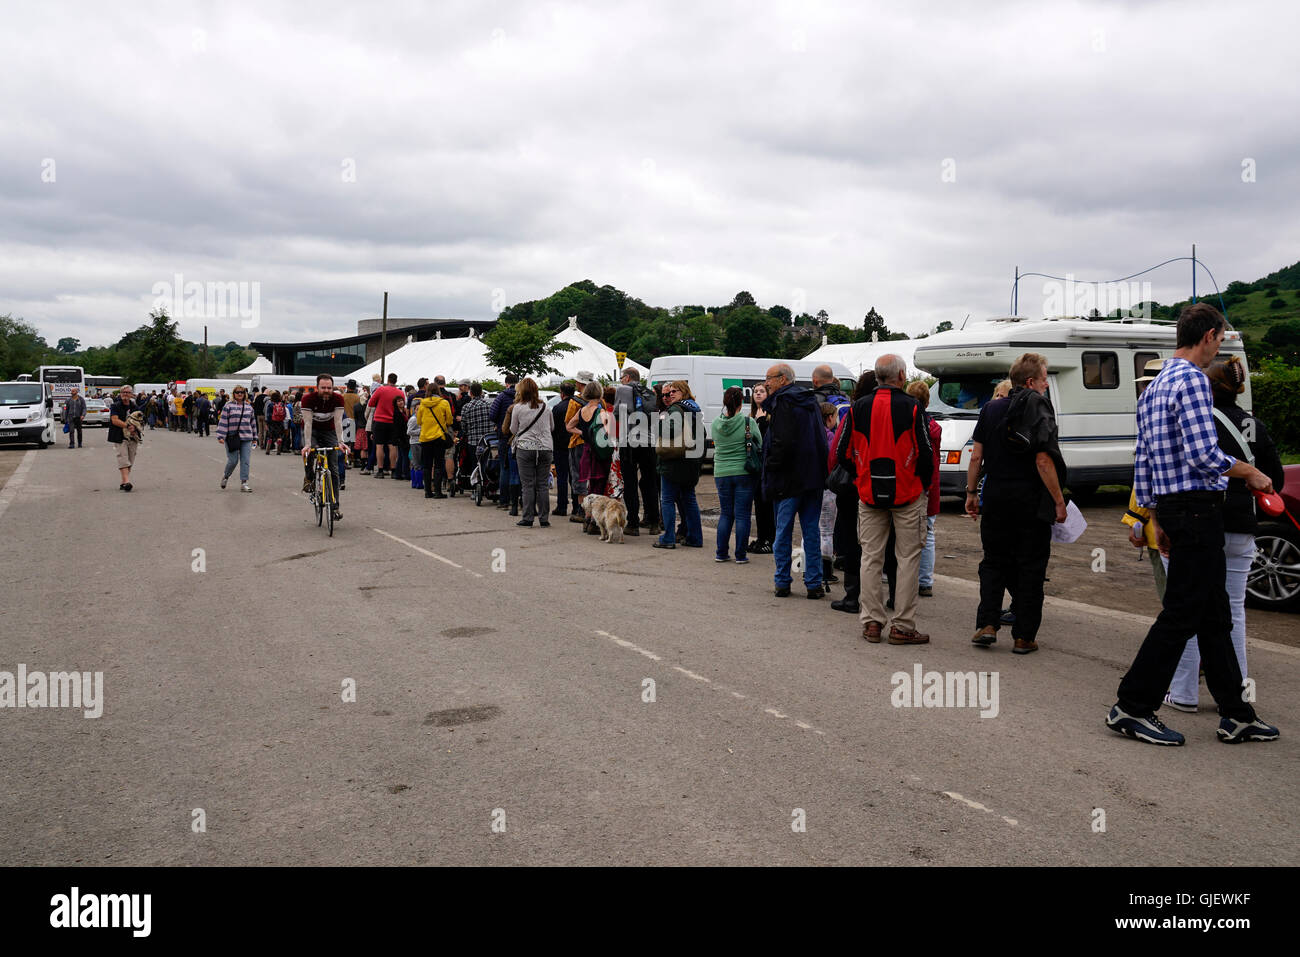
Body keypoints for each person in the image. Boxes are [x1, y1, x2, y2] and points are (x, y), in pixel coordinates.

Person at [1108, 303, 1279, 746]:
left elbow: (1144, 460)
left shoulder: (1156, 384)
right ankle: (1132, 706)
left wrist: (1154, 516)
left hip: (1176, 509)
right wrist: (1251, 473)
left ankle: (1236, 713)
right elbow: (1204, 455)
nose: (1218, 348)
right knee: (1183, 613)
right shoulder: (1193, 382)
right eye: (1219, 340)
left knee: (1213, 614)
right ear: (1207, 336)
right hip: (1199, 510)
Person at [1163, 353, 1285, 713]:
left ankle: (1183, 692)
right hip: (1242, 526)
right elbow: (1274, 481)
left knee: (1187, 607)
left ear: (1208, 387)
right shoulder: (1253, 425)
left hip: (1202, 521)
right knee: (1233, 611)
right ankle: (1236, 690)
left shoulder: (1199, 421)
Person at [965, 353, 1065, 654]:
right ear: (1031, 381)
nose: (1047, 385)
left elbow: (975, 456)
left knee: (994, 561)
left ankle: (987, 623)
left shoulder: (991, 409)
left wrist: (971, 492)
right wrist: (1059, 501)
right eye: (1045, 379)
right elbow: (1044, 460)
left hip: (996, 495)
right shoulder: (1039, 407)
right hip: (1030, 499)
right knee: (1031, 565)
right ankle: (1023, 635)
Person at [839, 355, 933, 640]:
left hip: (868, 494)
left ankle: (872, 622)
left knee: (870, 558)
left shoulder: (858, 408)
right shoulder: (913, 407)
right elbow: (926, 454)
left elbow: (843, 452)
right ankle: (902, 626)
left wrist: (861, 475)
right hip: (907, 493)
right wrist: (921, 484)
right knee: (907, 559)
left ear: (878, 376)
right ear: (901, 376)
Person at [761, 364, 828, 597]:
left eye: (768, 379)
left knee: (783, 531)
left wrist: (770, 466)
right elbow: (821, 440)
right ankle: (813, 583)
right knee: (811, 532)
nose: (766, 383)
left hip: (788, 478)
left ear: (781, 379)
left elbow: (782, 442)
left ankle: (782, 581)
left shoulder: (784, 403)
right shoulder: (809, 401)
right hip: (812, 477)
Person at [711, 386, 762, 562]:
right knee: (742, 515)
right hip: (744, 472)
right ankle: (740, 554)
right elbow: (759, 443)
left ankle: (721, 553)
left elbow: (716, 443)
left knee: (726, 513)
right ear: (741, 402)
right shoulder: (749, 422)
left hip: (721, 472)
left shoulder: (716, 423)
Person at [652, 380, 704, 548]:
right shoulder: (694, 408)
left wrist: (657, 423)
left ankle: (668, 538)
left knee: (667, 499)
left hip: (673, 462)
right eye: (670, 391)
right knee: (689, 500)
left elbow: (668, 430)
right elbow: (701, 434)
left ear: (684, 392)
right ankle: (695, 538)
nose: (671, 394)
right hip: (691, 462)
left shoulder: (676, 408)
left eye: (675, 391)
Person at [906, 379, 944, 599]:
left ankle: (902, 576)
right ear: (927, 402)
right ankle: (925, 581)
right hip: (932, 483)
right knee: (928, 533)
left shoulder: (908, 424)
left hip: (912, 483)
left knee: (903, 532)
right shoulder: (934, 427)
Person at [613, 367, 660, 536]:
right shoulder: (649, 391)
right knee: (650, 482)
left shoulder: (623, 389)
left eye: (621, 377)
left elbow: (618, 413)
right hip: (649, 441)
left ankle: (633, 524)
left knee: (631, 483)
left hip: (629, 441)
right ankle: (654, 522)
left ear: (626, 378)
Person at [506, 377, 555, 527]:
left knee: (527, 484)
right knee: (542, 484)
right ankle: (544, 518)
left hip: (525, 448)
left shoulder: (518, 408)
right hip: (545, 448)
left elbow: (513, 429)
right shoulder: (545, 407)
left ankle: (528, 517)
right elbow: (552, 427)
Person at [301, 374, 348, 522]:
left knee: (334, 469)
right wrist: (308, 445)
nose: (327, 390)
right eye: (323, 388)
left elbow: (339, 421)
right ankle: (309, 478)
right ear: (317, 388)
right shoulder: (308, 399)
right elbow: (308, 423)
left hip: (329, 431)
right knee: (309, 454)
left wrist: (341, 442)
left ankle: (334, 507)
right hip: (312, 430)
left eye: (329, 387)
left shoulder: (338, 399)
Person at [747, 382, 776, 553]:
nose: (758, 394)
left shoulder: (771, 415)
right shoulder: (751, 414)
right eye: (755, 391)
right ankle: (761, 537)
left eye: (761, 391)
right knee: (758, 504)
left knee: (767, 505)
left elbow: (765, 440)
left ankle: (769, 540)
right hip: (755, 467)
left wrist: (759, 421)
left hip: (768, 467)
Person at [417, 384, 454, 498]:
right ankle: (438, 492)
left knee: (427, 465)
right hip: (439, 437)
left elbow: (419, 421)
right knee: (438, 463)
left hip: (425, 437)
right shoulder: (444, 403)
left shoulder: (422, 404)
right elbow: (449, 420)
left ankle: (428, 491)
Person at [489, 374, 520, 512]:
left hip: (504, 436)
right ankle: (520, 500)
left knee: (505, 467)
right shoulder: (523, 396)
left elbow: (492, 415)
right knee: (520, 469)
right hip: (521, 436)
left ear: (506, 383)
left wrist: (499, 423)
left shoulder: (501, 397)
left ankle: (504, 501)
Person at [367, 372, 406, 478]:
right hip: (393, 422)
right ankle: (393, 470)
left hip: (379, 420)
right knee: (393, 446)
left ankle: (380, 470)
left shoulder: (381, 390)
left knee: (379, 445)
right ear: (396, 381)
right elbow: (402, 406)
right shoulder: (400, 393)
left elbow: (371, 403)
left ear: (388, 380)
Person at [216, 385, 255, 491]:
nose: (239, 394)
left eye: (242, 392)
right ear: (234, 394)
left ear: (244, 394)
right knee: (233, 460)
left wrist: (255, 437)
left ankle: (244, 483)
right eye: (237, 392)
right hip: (232, 437)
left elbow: (253, 423)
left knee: (245, 460)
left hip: (246, 437)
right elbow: (223, 421)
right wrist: (221, 435)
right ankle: (226, 476)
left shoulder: (249, 407)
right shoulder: (228, 406)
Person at [563, 382, 587, 522]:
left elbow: (568, 423)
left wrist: (582, 432)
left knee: (578, 476)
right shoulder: (600, 401)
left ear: (580, 384)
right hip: (596, 443)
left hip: (578, 442)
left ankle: (581, 510)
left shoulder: (574, 402)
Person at [108, 386, 141, 491]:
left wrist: (135, 428)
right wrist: (127, 426)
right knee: (123, 457)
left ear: (131, 394)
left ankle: (123, 482)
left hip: (133, 436)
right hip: (119, 436)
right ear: (120, 393)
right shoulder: (115, 406)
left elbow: (139, 420)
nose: (125, 394)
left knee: (130, 460)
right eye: (123, 392)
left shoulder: (135, 407)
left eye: (128, 392)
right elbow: (114, 420)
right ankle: (127, 482)